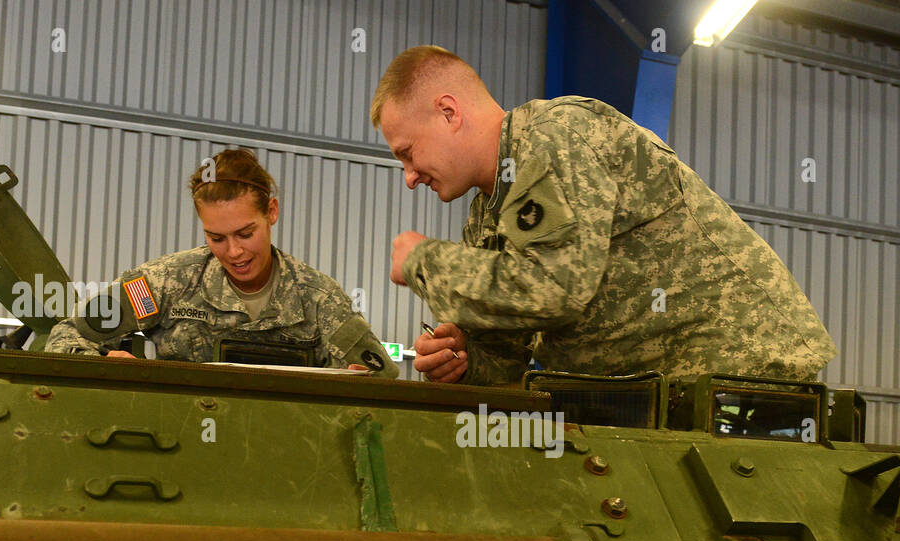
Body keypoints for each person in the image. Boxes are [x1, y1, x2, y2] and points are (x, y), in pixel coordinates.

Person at [372, 46, 835, 386]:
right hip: (649, 396)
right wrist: (463, 359)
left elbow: (555, 287)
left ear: (448, 112)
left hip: (737, 373)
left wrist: (424, 261)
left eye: (408, 153)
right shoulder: (486, 217)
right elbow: (508, 356)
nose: (410, 177)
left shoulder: (558, 135)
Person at [45, 148, 398, 376]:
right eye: (216, 238)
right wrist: (108, 366)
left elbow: (381, 377)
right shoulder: (164, 283)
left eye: (245, 233)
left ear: (271, 212)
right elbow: (68, 333)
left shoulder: (320, 299)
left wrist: (358, 383)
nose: (234, 252)